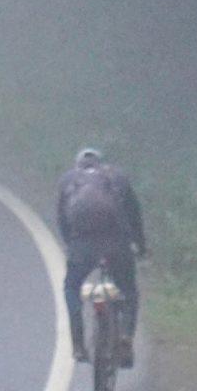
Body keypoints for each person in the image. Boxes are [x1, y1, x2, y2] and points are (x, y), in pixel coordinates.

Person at [56, 145, 146, 365]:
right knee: (128, 291)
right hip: (116, 244)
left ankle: (78, 344)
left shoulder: (68, 180)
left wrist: (71, 245)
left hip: (82, 246)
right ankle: (125, 336)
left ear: (79, 164)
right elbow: (134, 215)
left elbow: (62, 219)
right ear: (101, 163)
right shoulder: (116, 177)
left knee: (71, 288)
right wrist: (141, 246)